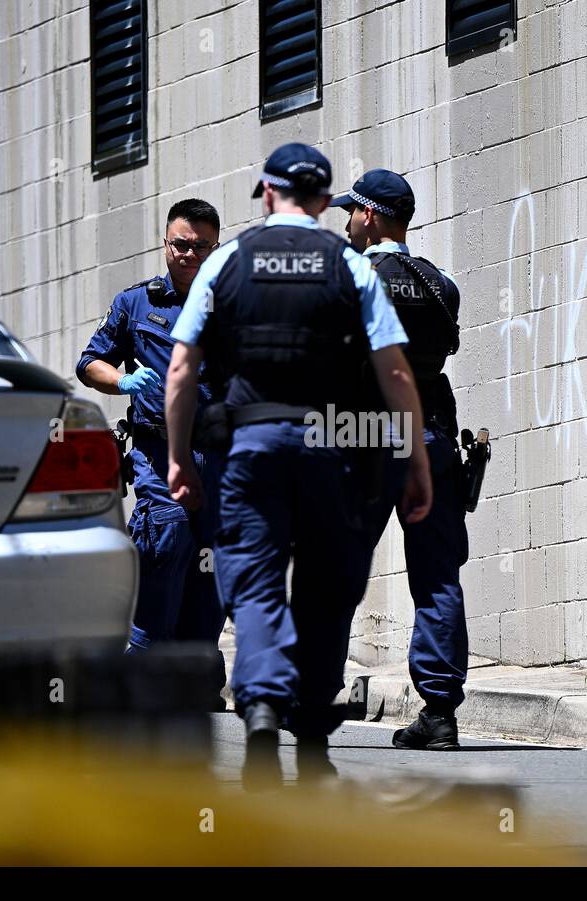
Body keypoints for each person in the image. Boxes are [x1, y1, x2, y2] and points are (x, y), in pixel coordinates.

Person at [164, 144, 433, 787]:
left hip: (248, 453)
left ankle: (259, 705)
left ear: (266, 193)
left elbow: (181, 369)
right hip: (329, 449)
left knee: (254, 587)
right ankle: (311, 729)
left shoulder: (226, 261)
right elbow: (394, 370)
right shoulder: (350, 266)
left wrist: (179, 459)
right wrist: (415, 457)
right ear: (321, 201)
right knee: (324, 591)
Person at [332, 169, 469, 750]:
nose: (345, 223)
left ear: (370, 216)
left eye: (351, 213)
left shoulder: (354, 276)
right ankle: (439, 712)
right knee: (438, 576)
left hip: (367, 435)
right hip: (432, 437)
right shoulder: (441, 284)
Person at [76, 199, 228, 704]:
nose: (188, 254)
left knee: (212, 560)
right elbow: (90, 362)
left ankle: (196, 667)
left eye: (199, 246)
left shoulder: (232, 304)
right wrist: (122, 381)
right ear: (165, 243)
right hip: (159, 451)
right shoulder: (136, 303)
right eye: (179, 244)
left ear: (215, 247)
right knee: (168, 537)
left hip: (219, 456)